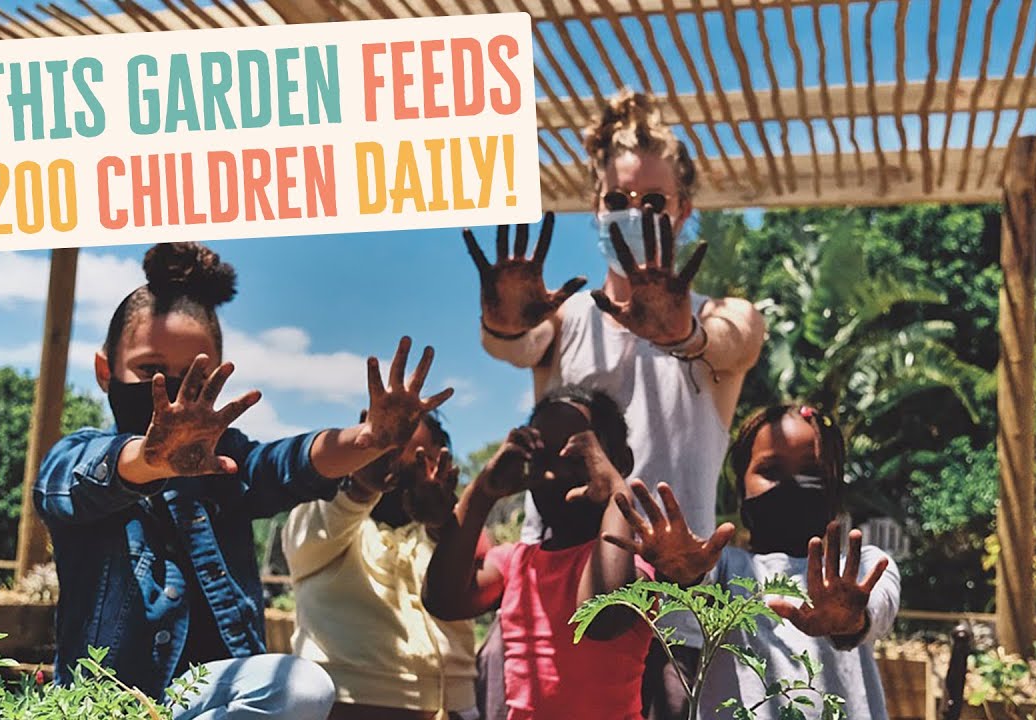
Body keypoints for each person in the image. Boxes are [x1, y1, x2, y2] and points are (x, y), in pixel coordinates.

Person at [35, 241, 452, 718]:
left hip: (205, 700)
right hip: (108, 706)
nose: (171, 394)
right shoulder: (77, 457)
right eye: (151, 370)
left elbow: (286, 464)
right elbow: (69, 485)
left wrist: (367, 440)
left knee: (301, 686)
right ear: (105, 370)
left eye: (192, 377)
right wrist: (151, 459)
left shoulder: (226, 465)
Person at [463, 89, 766, 720]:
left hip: (673, 618)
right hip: (550, 613)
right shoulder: (566, 317)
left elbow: (741, 338)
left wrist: (683, 334)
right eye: (618, 201)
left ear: (682, 211)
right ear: (596, 207)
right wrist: (503, 322)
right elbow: (514, 344)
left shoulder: (716, 317)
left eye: (653, 201)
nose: (635, 213)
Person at [605, 404, 900, 719]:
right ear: (740, 489)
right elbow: (698, 589)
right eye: (771, 471)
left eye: (812, 471)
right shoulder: (723, 568)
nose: (792, 485)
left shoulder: (865, 568)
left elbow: (878, 607)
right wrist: (683, 576)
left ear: (835, 486)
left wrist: (851, 622)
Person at [423, 386, 654, 720]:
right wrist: (482, 493)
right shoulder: (516, 564)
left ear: (620, 463)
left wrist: (618, 495)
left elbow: (601, 618)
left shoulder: (636, 564)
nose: (554, 474)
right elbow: (442, 600)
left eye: (576, 459)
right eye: (541, 461)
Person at [282, 412, 481, 720]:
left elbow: (471, 583)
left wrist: (444, 526)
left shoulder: (459, 532)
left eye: (418, 459)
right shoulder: (323, 517)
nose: (396, 464)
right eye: (384, 450)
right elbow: (304, 538)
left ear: (443, 463)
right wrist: (360, 488)